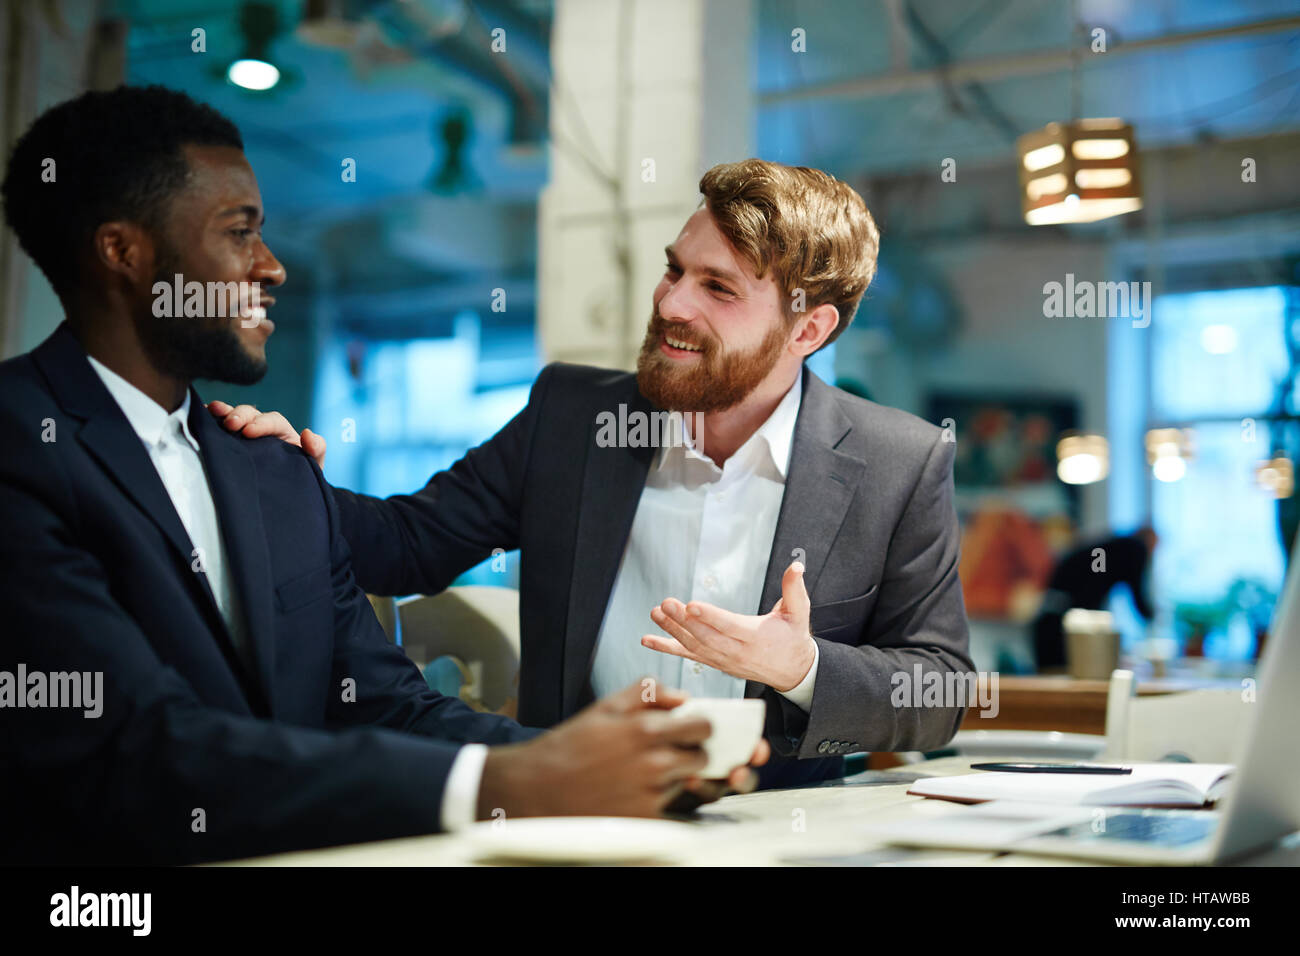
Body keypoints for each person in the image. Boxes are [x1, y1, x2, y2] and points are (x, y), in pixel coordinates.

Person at [0, 85, 762, 866]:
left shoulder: (275, 473)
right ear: (123, 253)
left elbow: (384, 704)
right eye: (240, 233)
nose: (272, 268)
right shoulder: (20, 444)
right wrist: (513, 781)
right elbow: (135, 747)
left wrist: (614, 763)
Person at [215, 158, 974, 788]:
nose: (671, 302)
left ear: (808, 328)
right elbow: (408, 543)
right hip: (572, 815)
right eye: (676, 269)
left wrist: (803, 666)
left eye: (718, 288)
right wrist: (287, 482)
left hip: (773, 836)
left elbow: (939, 688)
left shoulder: (899, 464)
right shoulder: (572, 417)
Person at [1031, 526, 1158, 669]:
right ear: (1149, 540)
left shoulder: (1112, 546)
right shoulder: (1135, 548)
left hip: (1053, 618)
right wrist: (1153, 617)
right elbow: (1138, 593)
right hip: (1066, 624)